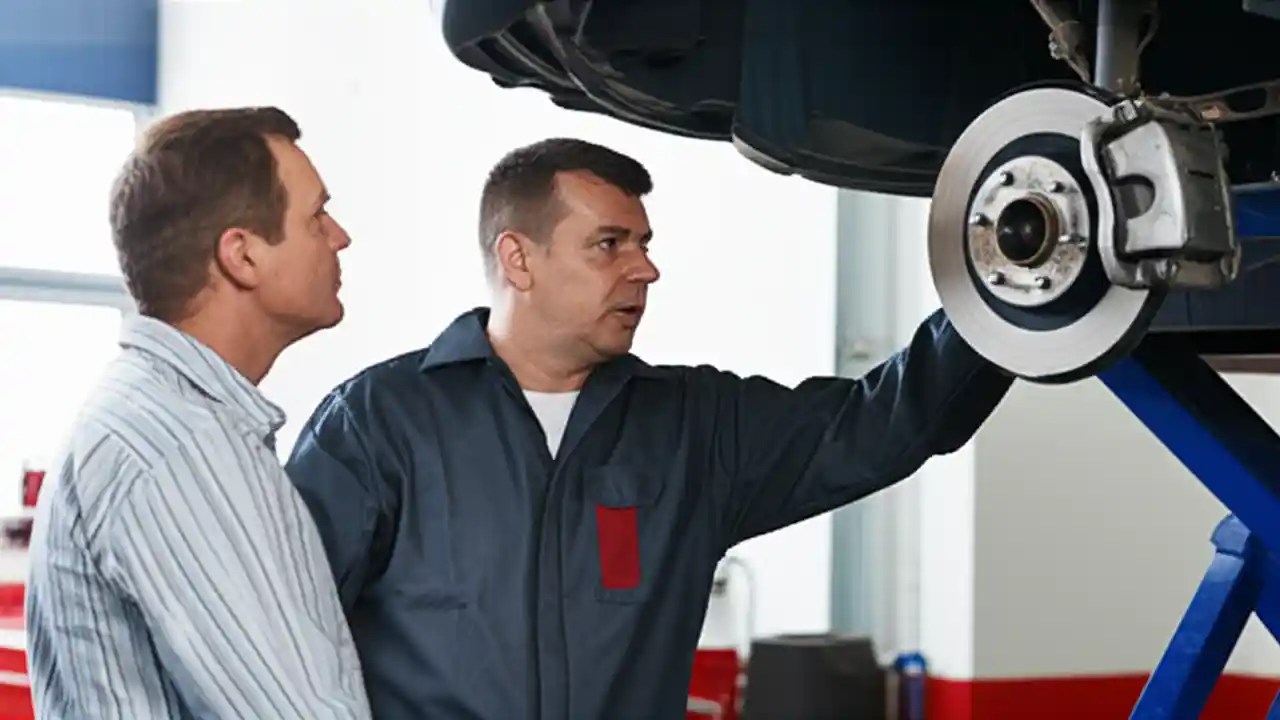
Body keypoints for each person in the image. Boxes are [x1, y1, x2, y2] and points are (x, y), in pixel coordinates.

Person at [285, 138, 1014, 718]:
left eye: (643, 242)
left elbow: (887, 422)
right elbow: (281, 638)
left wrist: (1006, 286)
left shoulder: (695, 429)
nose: (646, 270)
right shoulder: (381, 424)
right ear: (518, 259)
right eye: (609, 244)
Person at [25, 107, 371, 719]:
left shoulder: (155, 416)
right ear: (243, 256)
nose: (340, 235)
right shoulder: (182, 448)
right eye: (316, 215)